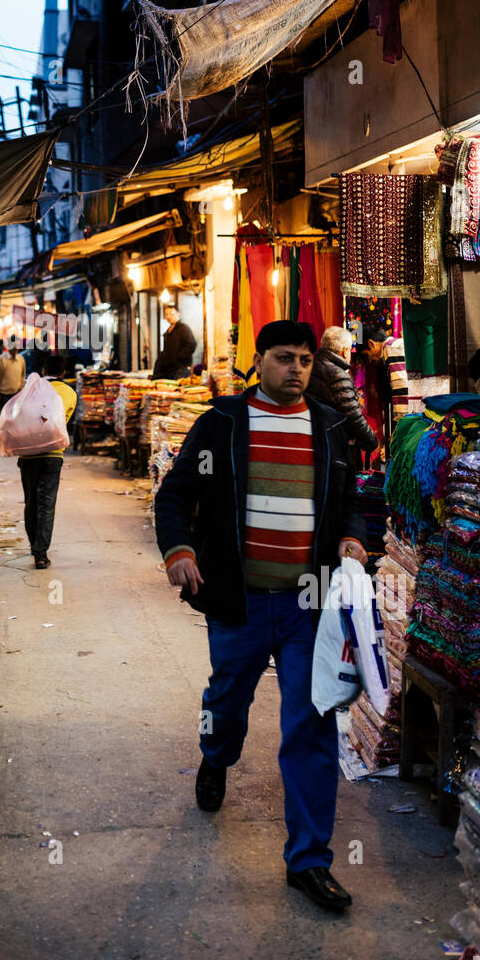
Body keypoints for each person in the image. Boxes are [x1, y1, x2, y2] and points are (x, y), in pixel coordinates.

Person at [155, 320, 368, 914]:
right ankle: (216, 754)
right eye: (284, 358)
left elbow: (351, 499)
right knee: (227, 700)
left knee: (310, 723)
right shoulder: (222, 422)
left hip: (308, 606)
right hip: (238, 600)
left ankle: (309, 861)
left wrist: (352, 538)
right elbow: (174, 495)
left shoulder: (329, 427)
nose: (296, 368)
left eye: (304, 359)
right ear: (259, 361)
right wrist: (180, 552)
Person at [19, 352, 77, 569]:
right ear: (63, 373)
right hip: (52, 454)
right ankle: (40, 553)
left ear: (43, 371)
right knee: (46, 503)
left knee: (30, 500)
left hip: (27, 453)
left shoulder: (30, 389)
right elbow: (63, 421)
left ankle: (34, 544)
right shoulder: (70, 393)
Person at [306, 325, 377, 453]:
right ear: (344, 351)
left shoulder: (312, 365)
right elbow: (353, 416)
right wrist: (371, 441)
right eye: (349, 349)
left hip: (314, 439)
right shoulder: (338, 375)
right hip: (333, 445)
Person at [152, 304, 196, 380]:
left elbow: (191, 344)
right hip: (170, 370)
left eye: (171, 314)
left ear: (178, 314)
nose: (169, 316)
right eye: (166, 314)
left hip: (181, 369)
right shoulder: (168, 331)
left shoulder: (183, 328)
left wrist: (178, 357)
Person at [0, 341, 27, 409]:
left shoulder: (21, 359)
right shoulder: (1, 359)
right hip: (4, 395)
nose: (16, 348)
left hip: (17, 394)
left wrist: (21, 390)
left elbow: (23, 376)